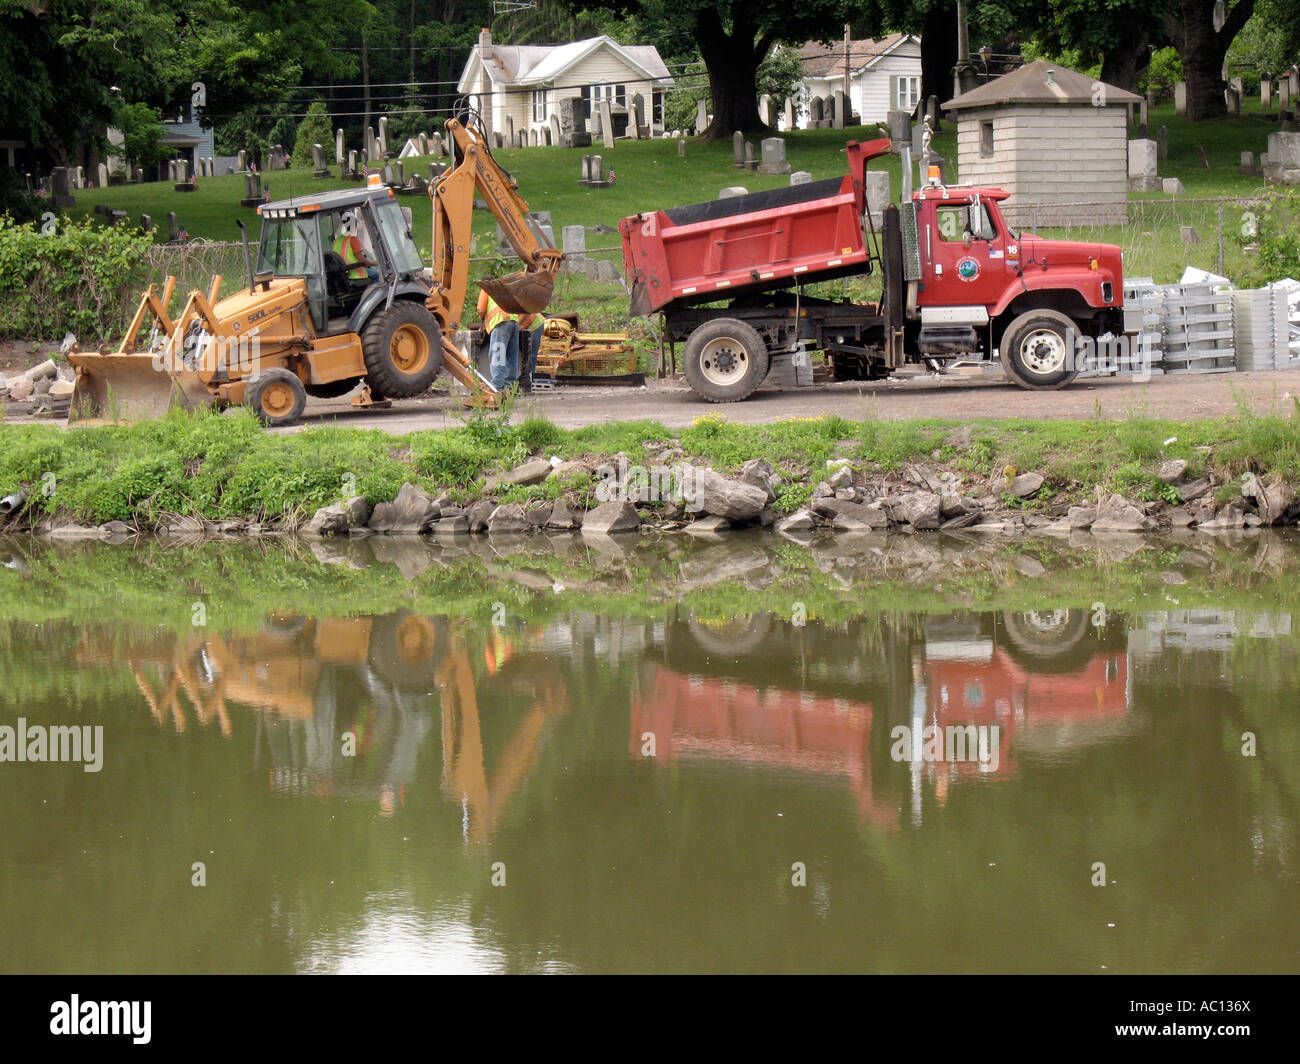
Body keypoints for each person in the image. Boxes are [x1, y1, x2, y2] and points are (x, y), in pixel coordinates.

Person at [477, 289, 519, 391]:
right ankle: (510, 387)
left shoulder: (486, 288)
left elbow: (481, 310)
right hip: (514, 322)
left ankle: (497, 385)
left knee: (498, 355)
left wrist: (482, 318)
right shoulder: (502, 289)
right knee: (511, 356)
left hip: (500, 323)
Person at [333, 211, 380, 284]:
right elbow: (363, 261)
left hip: (343, 274)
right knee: (378, 275)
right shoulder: (353, 239)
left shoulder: (337, 240)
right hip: (356, 274)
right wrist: (378, 263)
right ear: (355, 225)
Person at [516, 311, 544, 392]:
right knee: (524, 353)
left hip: (535, 325)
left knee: (530, 354)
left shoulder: (523, 306)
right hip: (526, 323)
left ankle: (529, 380)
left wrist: (517, 328)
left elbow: (525, 315)